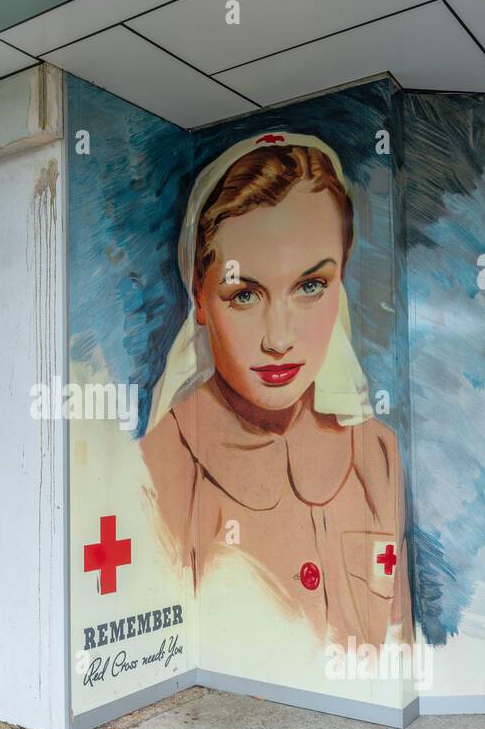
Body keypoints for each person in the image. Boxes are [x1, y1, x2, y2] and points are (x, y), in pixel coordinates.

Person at [139, 132, 409, 648]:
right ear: (199, 294)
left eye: (311, 287)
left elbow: (397, 644)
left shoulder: (378, 454)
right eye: (244, 294)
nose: (279, 339)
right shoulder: (158, 472)